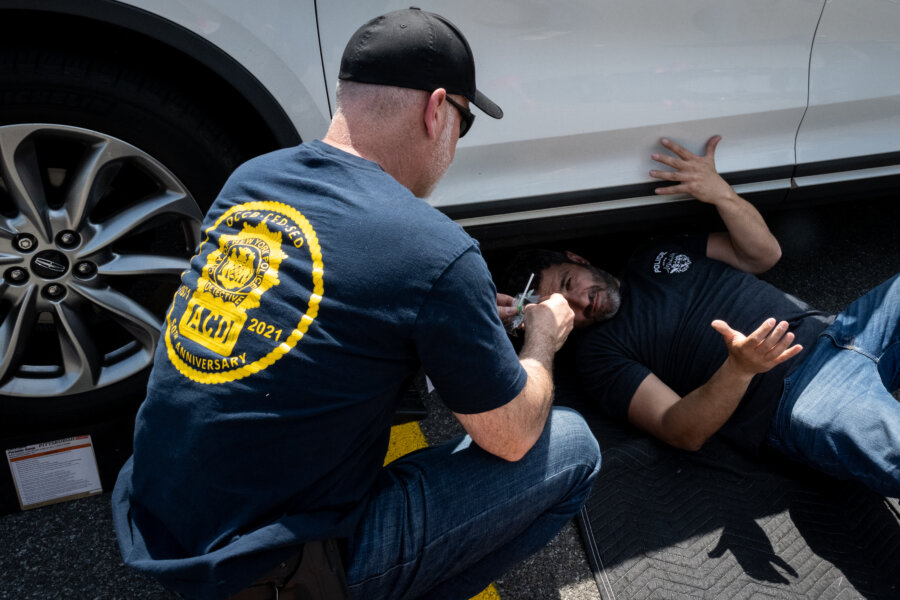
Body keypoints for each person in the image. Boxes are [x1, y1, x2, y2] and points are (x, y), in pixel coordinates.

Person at [111, 8, 601, 600]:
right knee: (572, 446)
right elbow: (513, 436)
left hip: (160, 524)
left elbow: (329, 307)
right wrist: (542, 338)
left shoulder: (254, 178)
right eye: (463, 125)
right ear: (435, 109)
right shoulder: (435, 247)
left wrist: (455, 315)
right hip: (269, 571)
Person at [504, 135, 900, 498]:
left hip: (841, 331)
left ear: (578, 260)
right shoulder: (599, 355)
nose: (580, 301)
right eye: (562, 307)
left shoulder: (652, 253)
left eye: (569, 283)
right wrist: (740, 369)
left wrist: (721, 194)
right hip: (801, 393)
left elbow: (763, 255)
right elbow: (680, 430)